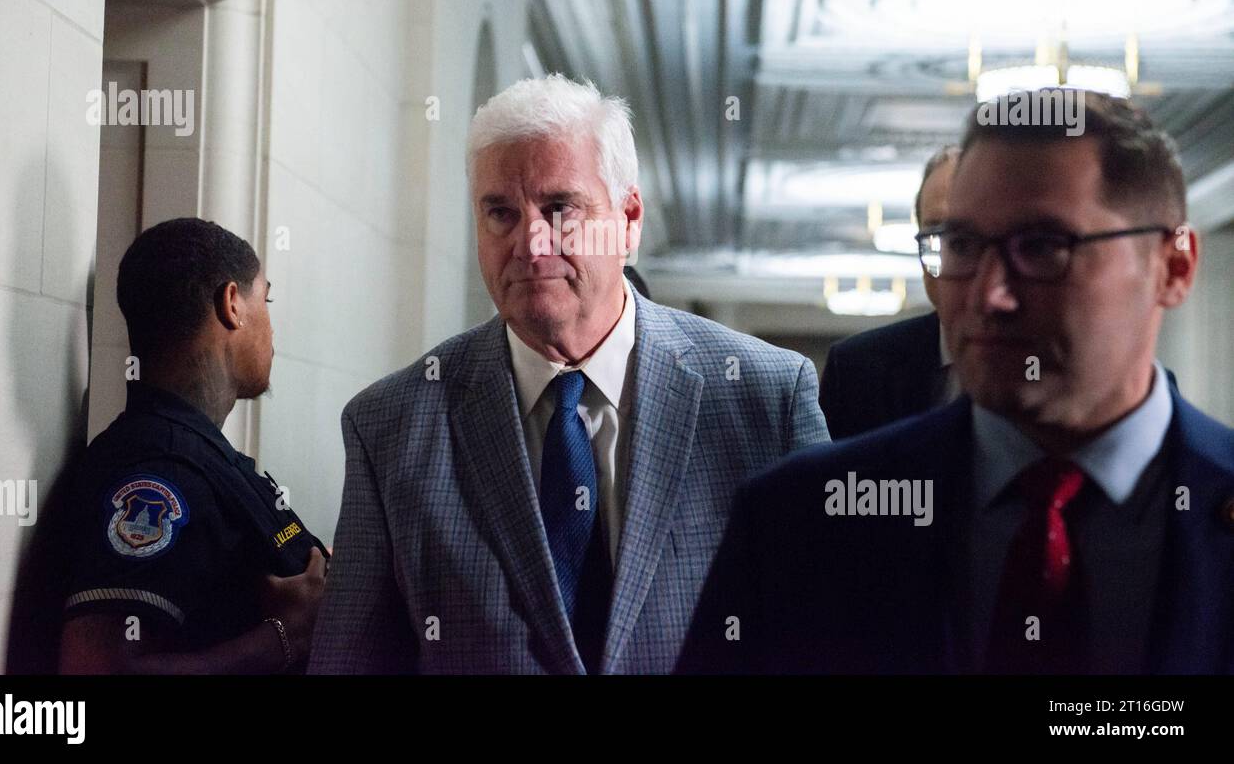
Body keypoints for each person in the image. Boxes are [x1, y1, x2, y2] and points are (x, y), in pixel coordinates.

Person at [678, 89, 1231, 674]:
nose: (987, 294)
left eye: (1042, 247)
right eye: (963, 246)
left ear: (1173, 267)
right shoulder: (793, 524)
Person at [309, 74, 829, 674]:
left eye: (560, 209)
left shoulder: (765, 398)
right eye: (500, 213)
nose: (531, 245)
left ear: (628, 220)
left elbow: (826, 642)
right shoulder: (391, 425)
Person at [57, 218, 328, 673]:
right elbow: (95, 667)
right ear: (232, 304)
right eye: (267, 299)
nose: (273, 328)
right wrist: (290, 635)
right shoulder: (159, 469)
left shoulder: (203, 457)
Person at [819, 145, 959, 438]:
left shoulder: (1062, 367)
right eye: (935, 235)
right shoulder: (856, 372)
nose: (954, 258)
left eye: (968, 237)